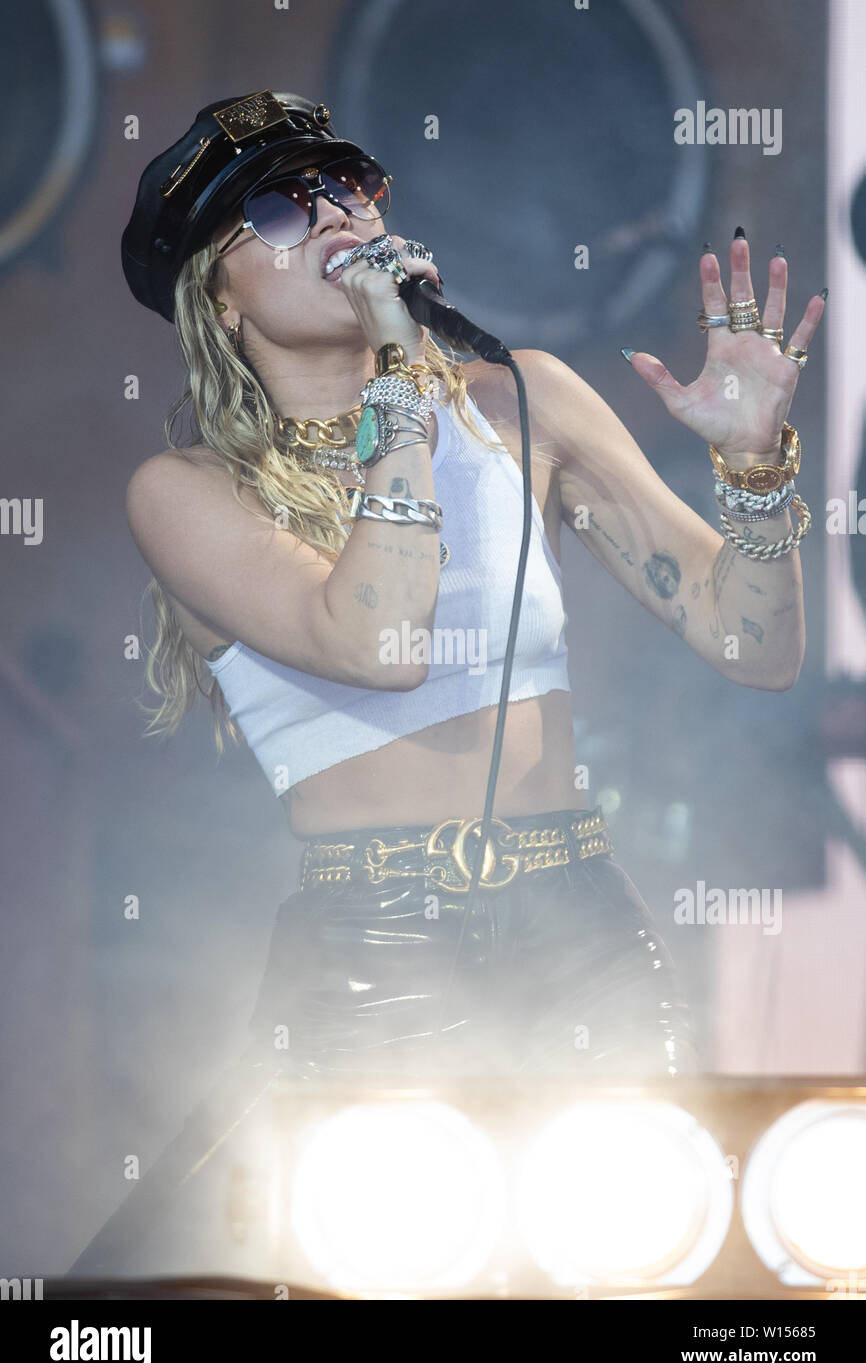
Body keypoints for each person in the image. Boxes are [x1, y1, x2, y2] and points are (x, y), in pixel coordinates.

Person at [121, 89, 825, 1086]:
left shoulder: (515, 401)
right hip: (372, 948)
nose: (333, 214)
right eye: (281, 210)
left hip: (577, 923)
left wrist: (754, 468)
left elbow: (755, 647)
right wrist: (398, 375)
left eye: (345, 186)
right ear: (219, 296)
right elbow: (381, 645)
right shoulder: (187, 493)